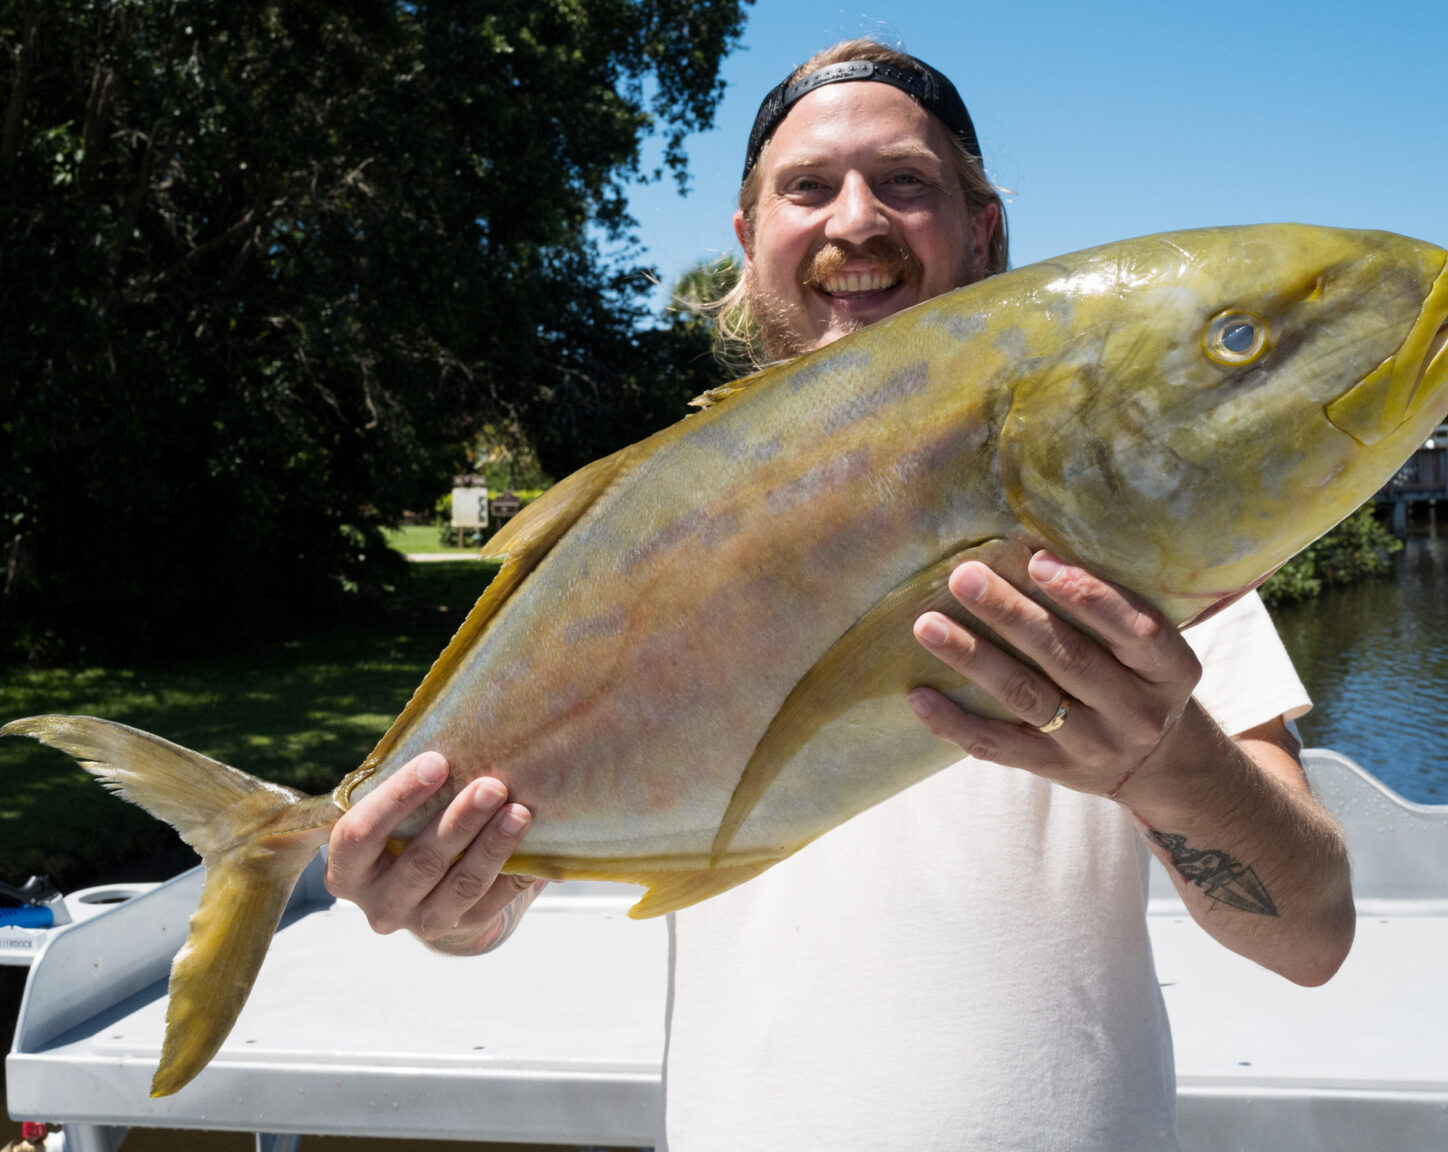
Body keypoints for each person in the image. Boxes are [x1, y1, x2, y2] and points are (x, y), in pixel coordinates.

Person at [325, 39, 1355, 1151]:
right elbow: (504, 888)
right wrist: (454, 903)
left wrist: (1167, 764)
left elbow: (1309, 938)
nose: (854, 220)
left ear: (983, 230)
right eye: (806, 187)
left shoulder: (1121, 526)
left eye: (905, 183)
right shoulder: (649, 545)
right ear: (750, 239)